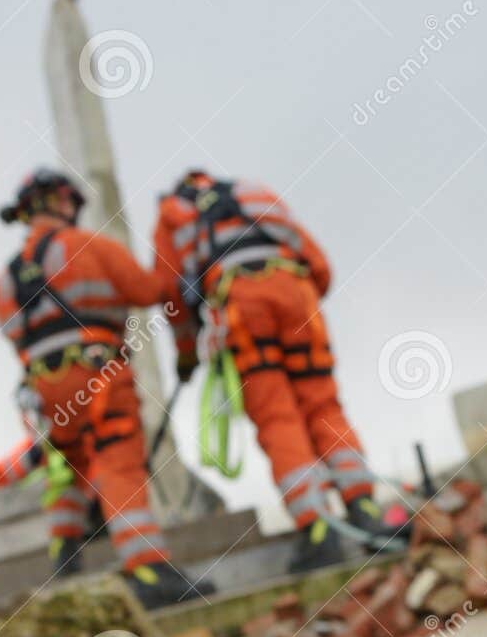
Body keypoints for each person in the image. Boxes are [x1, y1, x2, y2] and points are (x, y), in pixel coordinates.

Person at [153, 170, 398, 571]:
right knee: (323, 404)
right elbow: (318, 264)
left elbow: (173, 294)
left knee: (277, 415)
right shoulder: (253, 191)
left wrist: (186, 354)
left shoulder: (170, 215)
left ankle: (318, 530)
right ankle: (364, 508)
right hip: (295, 291)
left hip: (240, 302)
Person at [0, 168, 208, 609]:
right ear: (59, 201)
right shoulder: (87, 247)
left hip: (43, 387)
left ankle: (64, 557)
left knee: (68, 467)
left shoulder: (4, 280)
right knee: (118, 460)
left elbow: (14, 335)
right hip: (97, 374)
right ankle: (147, 567)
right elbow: (151, 289)